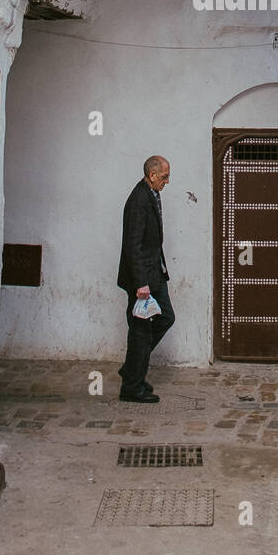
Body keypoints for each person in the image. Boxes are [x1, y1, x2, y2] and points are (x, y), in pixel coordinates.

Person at [116, 155, 175, 402]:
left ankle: (132, 370)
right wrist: (141, 283)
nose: (167, 181)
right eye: (164, 177)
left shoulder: (152, 193)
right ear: (152, 175)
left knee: (165, 318)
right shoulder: (138, 201)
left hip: (154, 273)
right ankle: (132, 387)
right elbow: (133, 246)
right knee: (140, 331)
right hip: (142, 278)